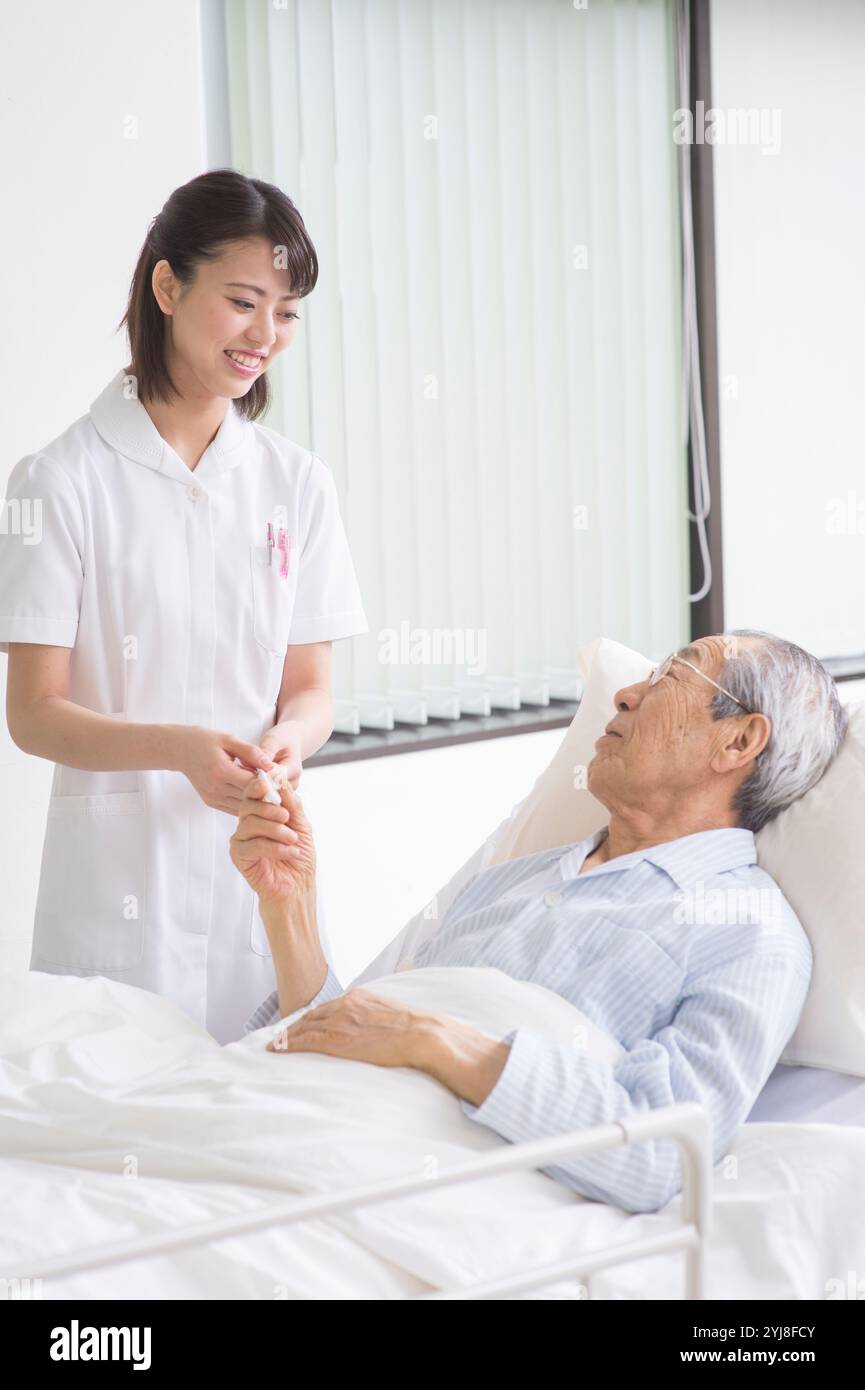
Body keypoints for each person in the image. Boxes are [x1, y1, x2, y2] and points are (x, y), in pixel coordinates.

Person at [230, 632, 847, 1213]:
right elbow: (353, 1034)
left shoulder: (750, 936)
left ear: (738, 742)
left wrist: (435, 1040)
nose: (627, 694)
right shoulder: (511, 879)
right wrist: (291, 910)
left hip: (404, 1182)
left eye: (668, 678)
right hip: (293, 1122)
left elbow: (662, 1152)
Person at [0, 169, 367, 1043]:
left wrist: (289, 740)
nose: (265, 335)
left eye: (285, 314)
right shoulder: (59, 483)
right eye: (243, 302)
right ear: (167, 286)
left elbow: (312, 690)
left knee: (255, 1125)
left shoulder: (296, 483)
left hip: (258, 874)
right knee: (114, 1130)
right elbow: (34, 714)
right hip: (116, 895)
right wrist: (181, 751)